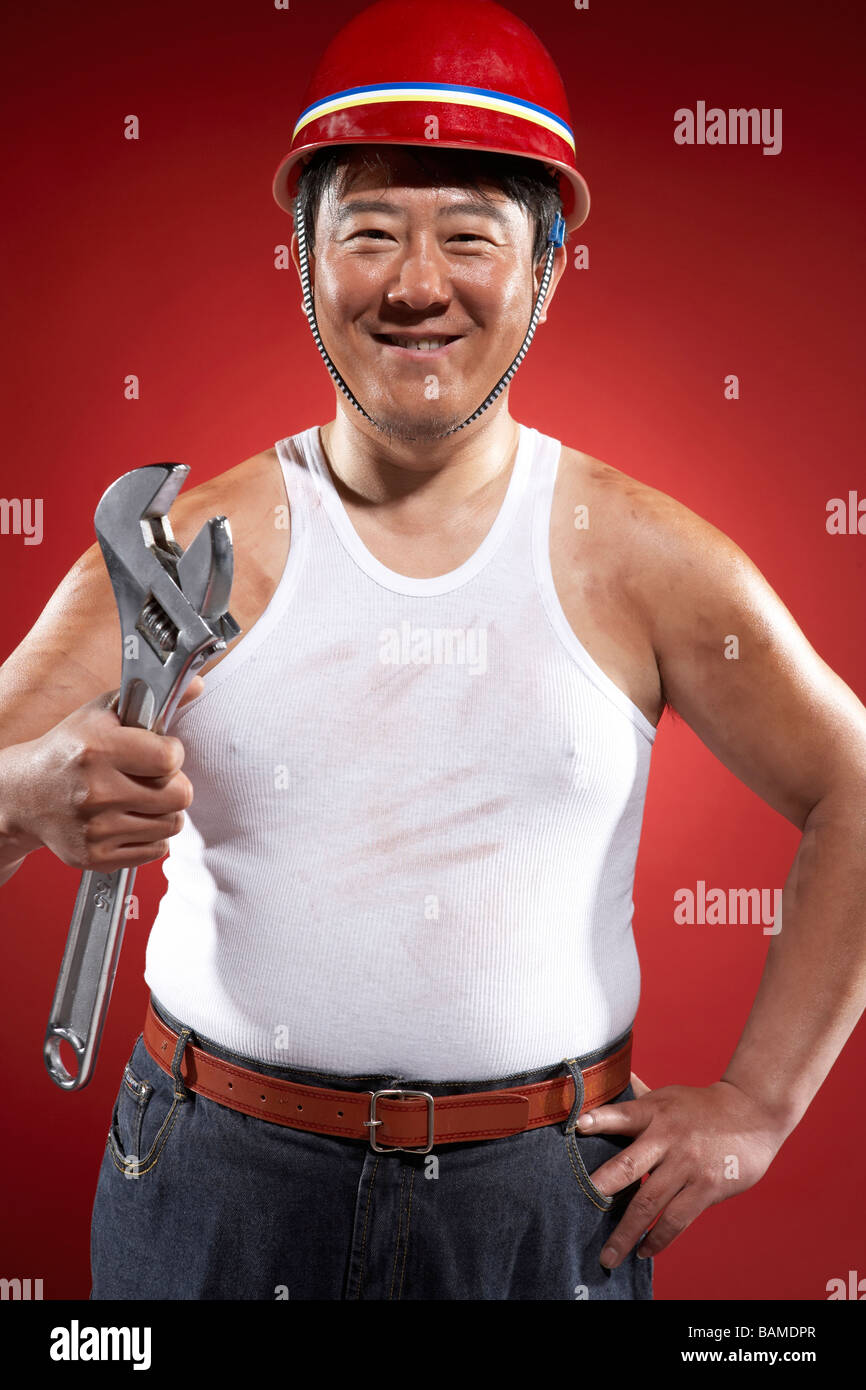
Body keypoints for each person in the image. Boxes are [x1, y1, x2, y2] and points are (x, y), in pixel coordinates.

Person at [2, 0, 865, 1301]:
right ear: (300, 256)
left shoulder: (645, 559)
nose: (416, 283)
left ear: (546, 266)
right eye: (366, 233)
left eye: (469, 235)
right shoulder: (176, 546)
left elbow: (854, 787)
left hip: (539, 1208)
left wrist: (754, 1101)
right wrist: (21, 791)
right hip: (211, 1188)